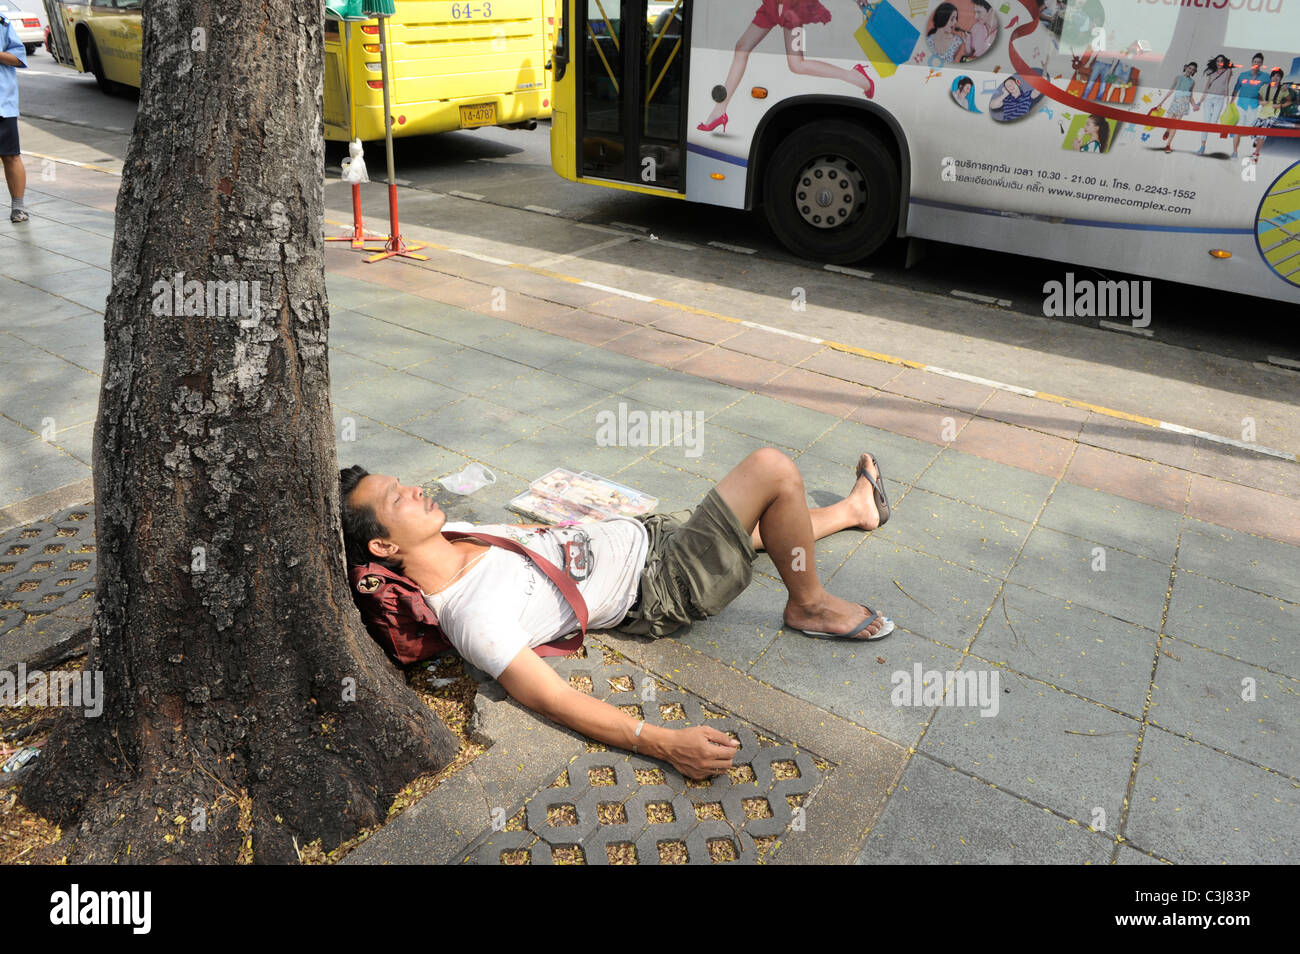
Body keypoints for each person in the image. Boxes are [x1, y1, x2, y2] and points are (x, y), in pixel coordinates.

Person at [340, 449, 894, 780]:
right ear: (385, 549)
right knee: (771, 470)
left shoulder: (456, 533)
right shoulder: (471, 616)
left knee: (761, 526)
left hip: (648, 536)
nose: (414, 489)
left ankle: (853, 510)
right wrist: (664, 742)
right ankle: (809, 606)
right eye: (397, 498)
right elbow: (553, 699)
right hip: (661, 582)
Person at [698, 1, 875, 134]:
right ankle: (719, 110)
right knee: (742, 48)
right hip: (773, 6)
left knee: (797, 64)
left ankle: (854, 75)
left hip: (792, 8)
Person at [0, 9, 27, 223]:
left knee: (10, 155)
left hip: (2, 105)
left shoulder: (2, 23)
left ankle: (18, 207)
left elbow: (18, 57)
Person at [1152, 61, 1198, 154]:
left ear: (1194, 72)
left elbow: (1190, 95)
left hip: (1184, 104)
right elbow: (1170, 91)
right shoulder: (1178, 78)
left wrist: (1194, 105)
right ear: (1186, 67)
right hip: (1176, 102)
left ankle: (1168, 145)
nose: (1190, 70)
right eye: (1189, 68)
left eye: (1193, 70)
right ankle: (1167, 130)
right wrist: (1160, 103)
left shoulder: (1192, 82)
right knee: (1169, 122)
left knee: (1175, 125)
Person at [1196, 54, 1234, 155]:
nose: (1219, 63)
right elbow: (1206, 87)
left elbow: (1226, 85)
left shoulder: (1228, 71)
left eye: (1221, 61)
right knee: (1206, 122)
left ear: (1224, 62)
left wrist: (1227, 100)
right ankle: (1202, 145)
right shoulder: (1211, 72)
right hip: (1209, 98)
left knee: (1213, 121)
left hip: (1219, 98)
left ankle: (1212, 143)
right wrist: (1200, 101)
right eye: (1217, 61)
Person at [1230, 53, 1267, 159]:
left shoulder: (1265, 77)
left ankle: (1251, 142)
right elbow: (1236, 89)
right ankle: (1235, 152)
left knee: (1250, 130)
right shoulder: (1243, 75)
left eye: (1259, 62)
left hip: (1254, 106)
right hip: (1241, 105)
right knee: (1238, 129)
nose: (1256, 64)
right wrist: (1230, 104)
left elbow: (1270, 89)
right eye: (1255, 61)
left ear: (1261, 64)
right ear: (1252, 63)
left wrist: (1265, 101)